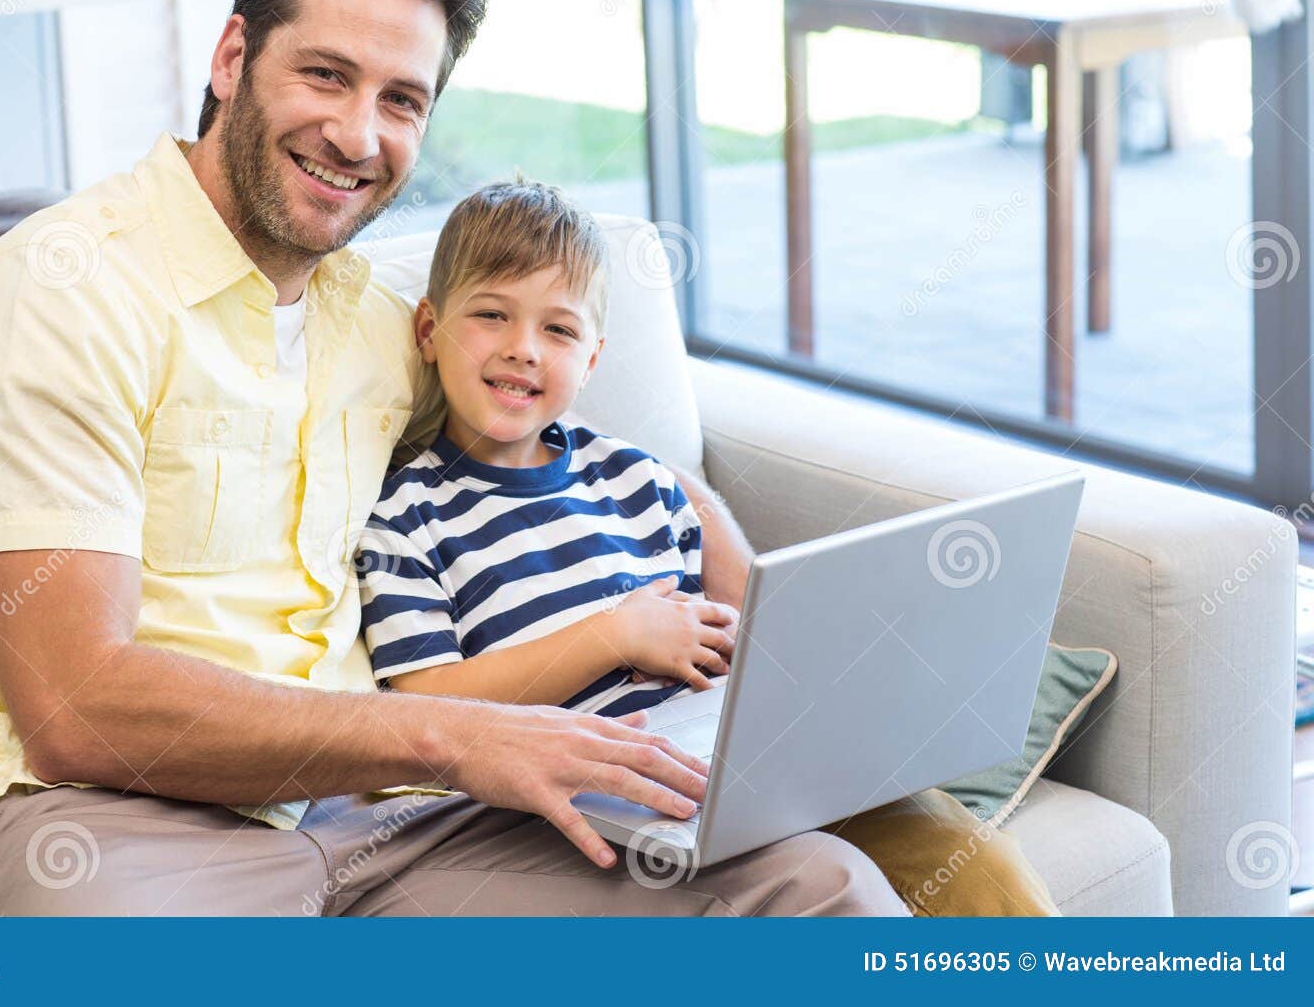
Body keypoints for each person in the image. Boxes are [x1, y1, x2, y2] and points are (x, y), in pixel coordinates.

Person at [0, 0, 909, 916]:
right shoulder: (63, 291)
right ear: (231, 58)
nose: (356, 134)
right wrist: (456, 735)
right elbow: (78, 706)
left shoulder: (389, 324)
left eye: (402, 99)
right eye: (326, 75)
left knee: (815, 891)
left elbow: (594, 449)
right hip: (110, 829)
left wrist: (759, 625)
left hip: (393, 824)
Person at [357, 179, 1060, 916]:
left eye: (558, 330)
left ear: (592, 357)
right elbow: (427, 704)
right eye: (491, 315)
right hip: (595, 799)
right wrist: (615, 635)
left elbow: (730, 635)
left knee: (976, 860)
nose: (522, 349)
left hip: (734, 762)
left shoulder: (640, 478)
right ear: (429, 329)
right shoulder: (406, 515)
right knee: (823, 874)